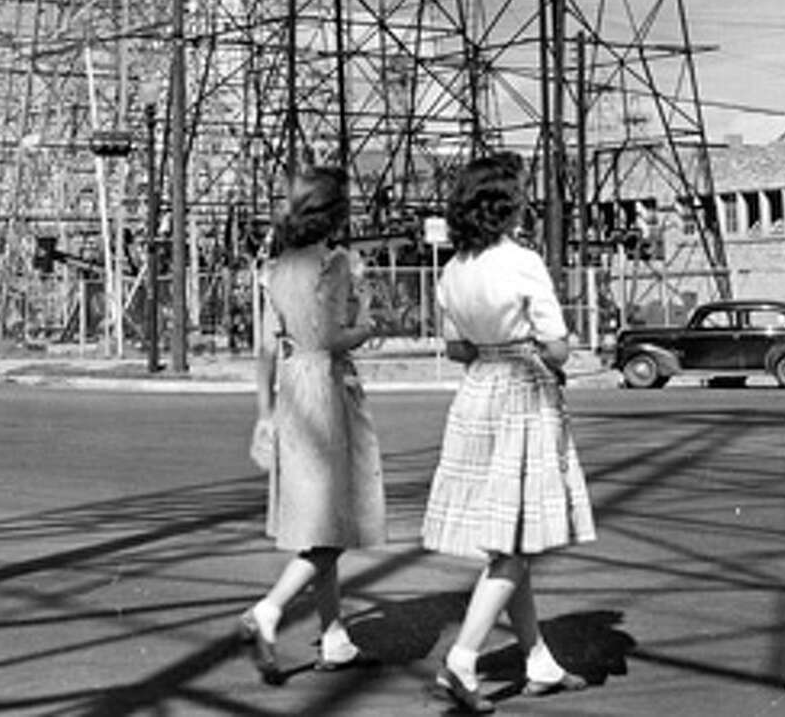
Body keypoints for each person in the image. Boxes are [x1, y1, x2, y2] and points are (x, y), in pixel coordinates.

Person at [422, 151, 595, 713]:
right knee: (516, 541)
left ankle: (539, 660)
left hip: (478, 394)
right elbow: (558, 343)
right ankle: (462, 659)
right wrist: (554, 356)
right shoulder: (521, 261)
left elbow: (455, 347)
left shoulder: (453, 269)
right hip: (523, 390)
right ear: (507, 204)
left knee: (510, 535)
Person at [238, 164, 386, 684]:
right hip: (326, 387)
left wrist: (263, 416)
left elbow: (264, 348)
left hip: (290, 393)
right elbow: (330, 336)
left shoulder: (278, 269)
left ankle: (336, 636)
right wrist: (365, 326)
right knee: (335, 522)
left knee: (321, 516)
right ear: (334, 213)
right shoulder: (335, 262)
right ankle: (270, 609)